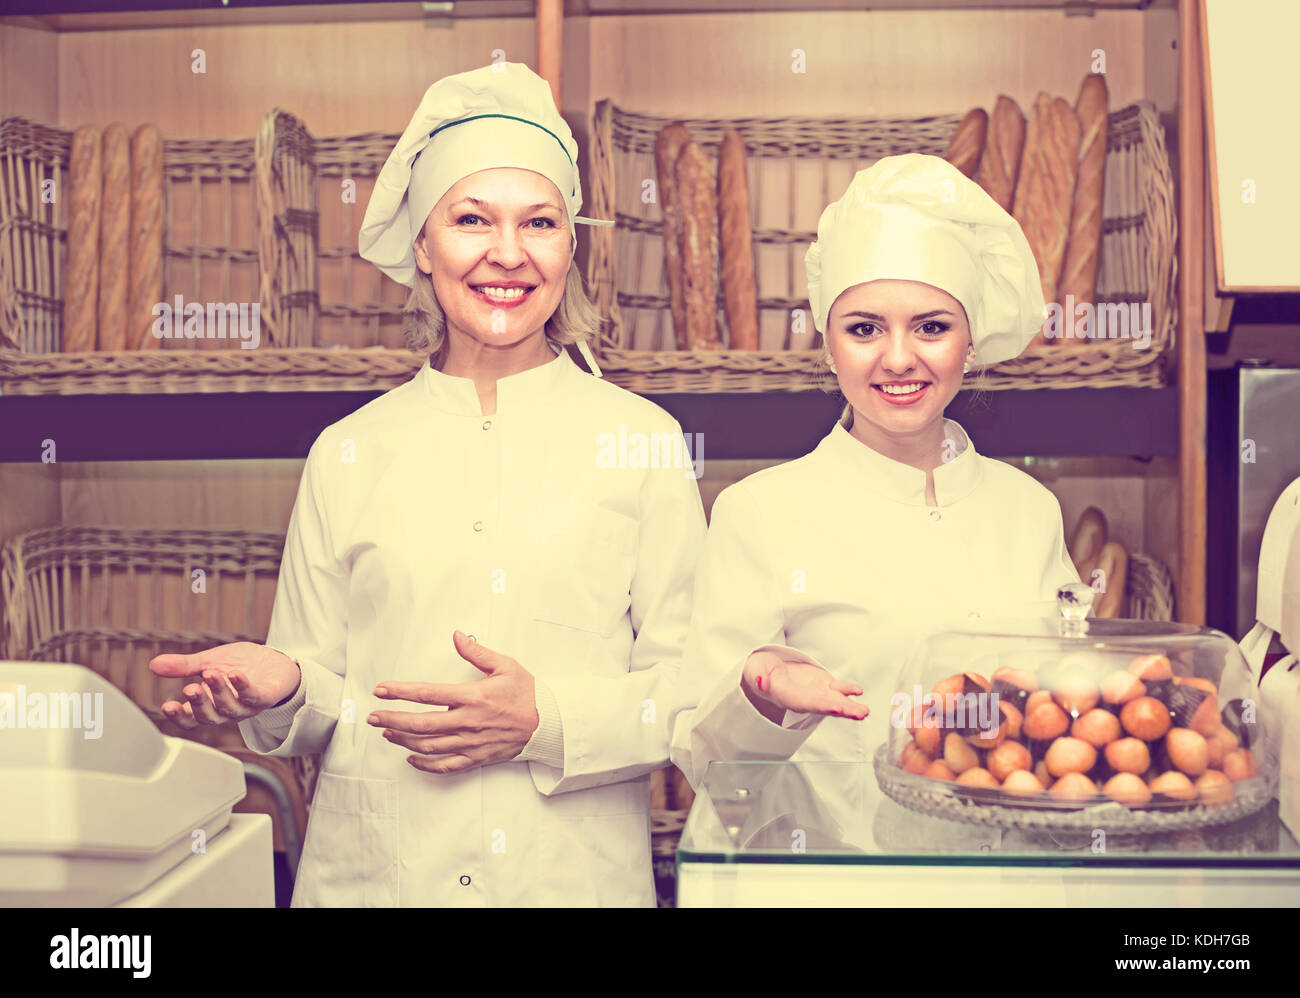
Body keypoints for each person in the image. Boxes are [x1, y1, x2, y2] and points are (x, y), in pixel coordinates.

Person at [150, 62, 705, 907]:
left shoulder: (642, 440)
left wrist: (545, 722)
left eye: (540, 223)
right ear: (422, 243)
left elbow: (690, 698)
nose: (507, 255)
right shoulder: (348, 451)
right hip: (376, 881)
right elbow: (321, 696)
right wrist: (284, 686)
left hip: (564, 881)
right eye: (472, 220)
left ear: (571, 245)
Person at [669, 153, 1080, 791]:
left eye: (931, 328)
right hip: (842, 875)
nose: (897, 358)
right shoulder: (759, 513)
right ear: (829, 346)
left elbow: (1064, 711)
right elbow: (710, 769)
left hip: (1012, 878)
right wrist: (768, 694)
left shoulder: (1031, 509)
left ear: (969, 344)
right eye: (864, 329)